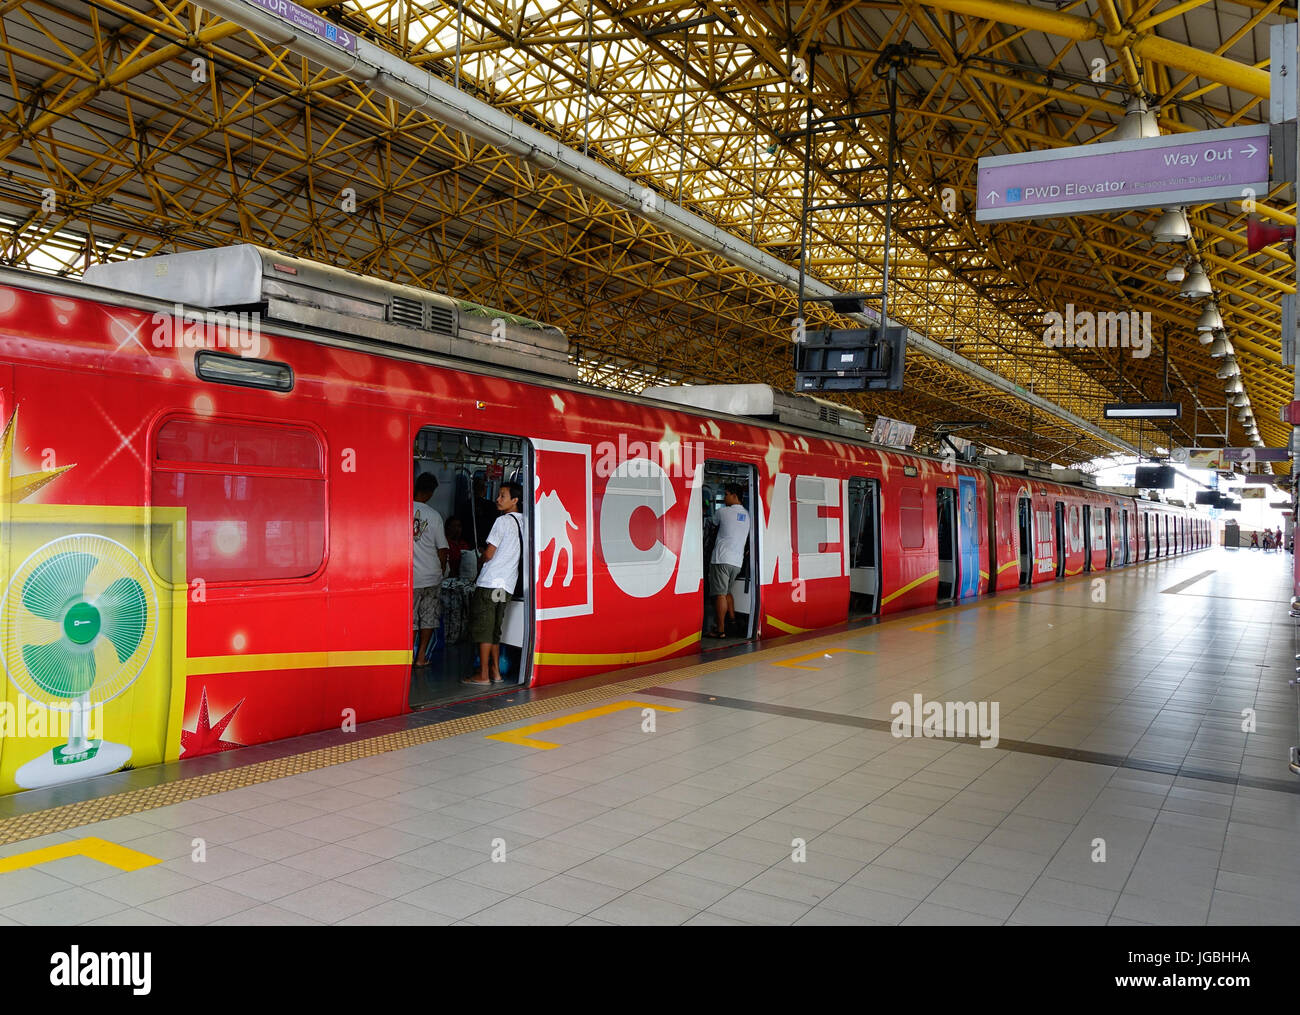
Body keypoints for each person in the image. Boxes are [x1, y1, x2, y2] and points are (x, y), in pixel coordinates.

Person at [464, 481, 524, 686]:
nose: (498, 500)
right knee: (495, 630)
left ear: (514, 500)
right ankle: (496, 673)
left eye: (502, 496)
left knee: (483, 631)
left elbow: (489, 554)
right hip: (507, 584)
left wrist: (480, 558)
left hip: (490, 582)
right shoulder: (524, 522)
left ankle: (482, 675)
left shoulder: (502, 521)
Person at [413, 473, 449, 669]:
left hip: (410, 578)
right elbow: (442, 549)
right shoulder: (434, 515)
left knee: (410, 619)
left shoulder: (402, 509)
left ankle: (405, 659)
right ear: (430, 492)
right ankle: (420, 658)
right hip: (431, 576)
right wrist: (441, 571)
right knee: (428, 617)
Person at [706, 483, 749, 638]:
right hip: (737, 562)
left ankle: (720, 630)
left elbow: (710, 523)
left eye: (726, 494)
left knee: (720, 594)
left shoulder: (723, 512)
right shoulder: (747, 515)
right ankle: (732, 621)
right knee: (727, 592)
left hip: (721, 559)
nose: (724, 497)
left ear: (734, 496)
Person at [460, 476, 498, 552]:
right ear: (484, 489)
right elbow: (493, 528)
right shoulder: (491, 506)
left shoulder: (465, 505)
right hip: (485, 543)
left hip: (468, 543)